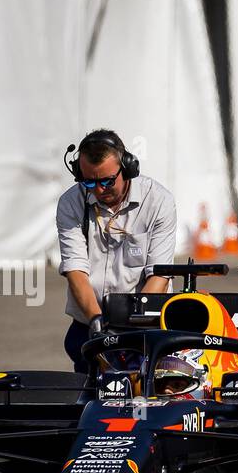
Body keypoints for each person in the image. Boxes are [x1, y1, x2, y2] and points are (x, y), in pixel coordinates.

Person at [56, 130, 176, 372]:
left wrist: (128, 328)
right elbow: (75, 270)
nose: (99, 190)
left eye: (108, 181)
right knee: (90, 404)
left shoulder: (159, 202)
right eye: (90, 182)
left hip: (144, 328)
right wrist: (97, 322)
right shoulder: (70, 203)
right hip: (90, 327)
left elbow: (159, 275)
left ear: (128, 167)